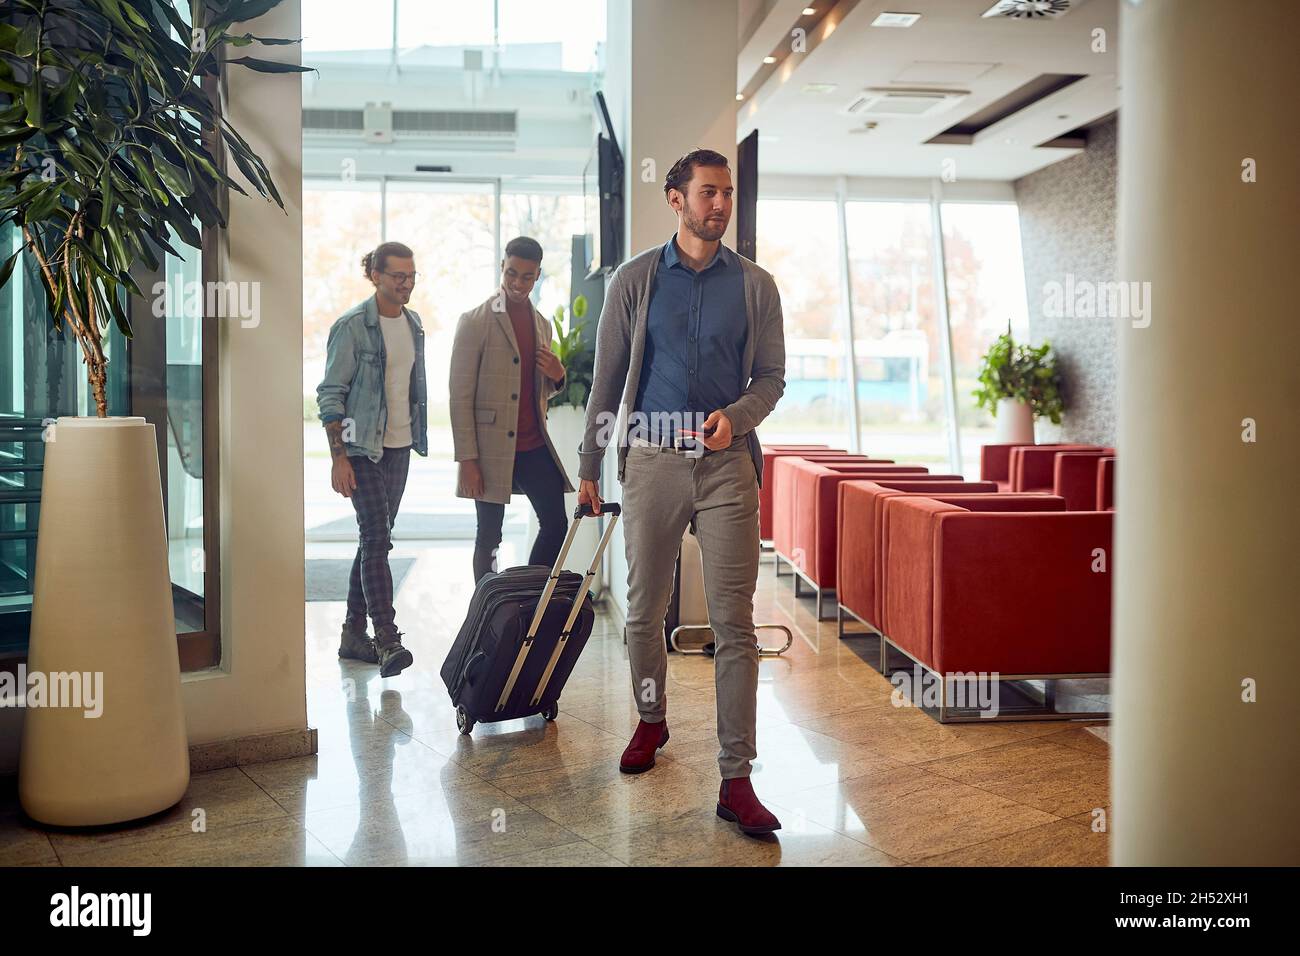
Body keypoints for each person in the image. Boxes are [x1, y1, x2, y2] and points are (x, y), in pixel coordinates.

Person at [576, 148, 787, 836]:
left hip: (728, 469)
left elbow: (771, 378)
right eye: (706, 193)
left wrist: (738, 419)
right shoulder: (634, 281)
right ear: (675, 199)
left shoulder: (756, 286)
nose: (720, 204)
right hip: (654, 459)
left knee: (735, 624)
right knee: (645, 610)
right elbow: (607, 382)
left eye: (726, 193)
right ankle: (651, 719)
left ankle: (736, 777)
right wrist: (588, 464)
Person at [316, 241, 426, 678]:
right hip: (361, 449)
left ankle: (351, 633)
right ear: (375, 275)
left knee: (372, 541)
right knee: (378, 538)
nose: (405, 283)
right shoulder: (352, 326)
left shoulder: (414, 324)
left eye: (411, 275)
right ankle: (387, 638)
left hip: (399, 447)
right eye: (397, 275)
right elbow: (330, 395)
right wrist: (338, 457)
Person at [450, 236, 574, 582]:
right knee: (489, 537)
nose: (518, 284)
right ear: (502, 268)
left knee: (556, 523)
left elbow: (535, 392)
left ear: (537, 277)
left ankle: (528, 601)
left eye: (527, 276)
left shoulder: (542, 325)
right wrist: (467, 460)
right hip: (489, 450)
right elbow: (459, 396)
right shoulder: (474, 322)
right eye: (511, 274)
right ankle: (486, 615)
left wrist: (558, 376)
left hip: (534, 445)